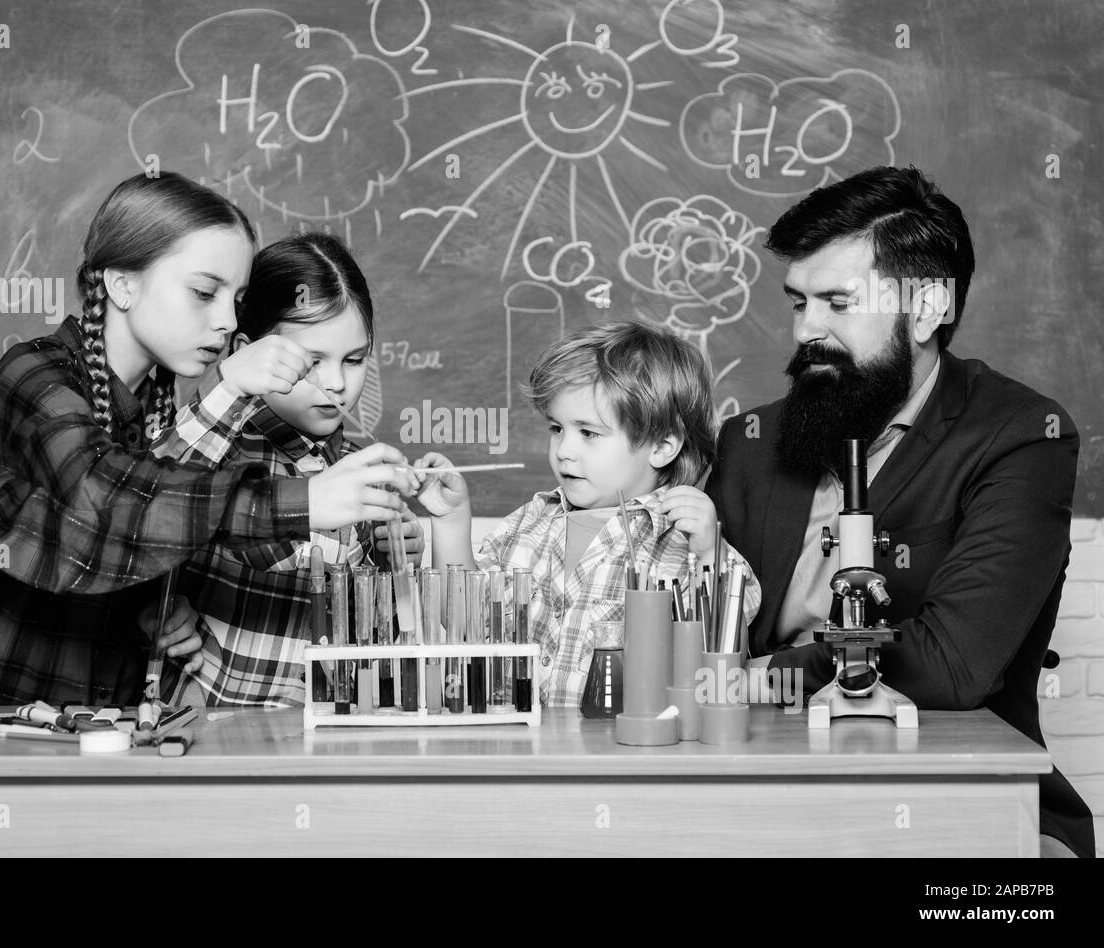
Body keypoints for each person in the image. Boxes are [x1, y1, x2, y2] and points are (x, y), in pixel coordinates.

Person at [705, 165, 1094, 857]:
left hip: (953, 789)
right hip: (758, 777)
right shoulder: (752, 441)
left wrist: (768, 675)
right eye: (799, 302)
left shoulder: (1022, 436)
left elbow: (952, 664)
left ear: (927, 308)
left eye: (836, 302)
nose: (805, 331)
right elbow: (702, 643)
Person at [0, 172, 411, 707]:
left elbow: (127, 538)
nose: (227, 321)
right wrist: (309, 500)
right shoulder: (34, 377)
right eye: (204, 293)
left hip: (105, 726)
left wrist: (155, 604)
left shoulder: (162, 406)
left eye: (238, 298)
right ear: (122, 284)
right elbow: (109, 501)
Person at [419, 320, 759, 707]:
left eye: (589, 433)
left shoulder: (679, 539)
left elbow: (726, 653)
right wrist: (450, 523)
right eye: (556, 429)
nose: (564, 450)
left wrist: (708, 554)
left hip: (629, 756)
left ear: (663, 446)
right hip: (522, 754)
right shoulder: (529, 524)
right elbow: (464, 625)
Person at [155, 232, 424, 706]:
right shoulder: (219, 449)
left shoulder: (361, 469)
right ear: (248, 350)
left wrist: (391, 562)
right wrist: (231, 381)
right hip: (215, 739)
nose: (337, 383)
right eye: (312, 361)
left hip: (322, 742)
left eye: (355, 360)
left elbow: (377, 644)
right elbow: (142, 505)